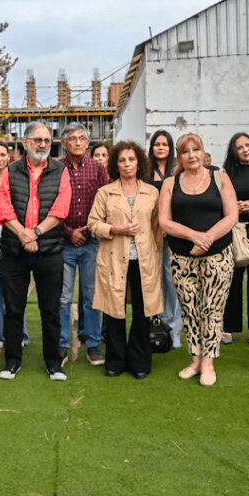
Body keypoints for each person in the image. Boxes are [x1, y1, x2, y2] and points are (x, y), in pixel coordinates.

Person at [158, 133, 238, 386]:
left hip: (218, 255)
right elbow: (164, 222)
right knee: (190, 309)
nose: (191, 155)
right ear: (179, 157)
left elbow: (232, 215)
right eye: (185, 151)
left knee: (212, 309)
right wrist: (194, 236)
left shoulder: (219, 176)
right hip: (182, 257)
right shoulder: (171, 183)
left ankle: (208, 363)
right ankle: (195, 359)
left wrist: (208, 239)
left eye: (196, 150)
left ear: (203, 152)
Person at [0, 121, 72, 381]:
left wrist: (36, 233)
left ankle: (54, 363)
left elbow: (61, 209)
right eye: (37, 140)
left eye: (47, 141)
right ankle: (12, 361)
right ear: (25, 143)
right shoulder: (10, 170)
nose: (43, 145)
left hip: (48, 250)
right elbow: (4, 209)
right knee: (14, 309)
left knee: (50, 309)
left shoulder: (60, 170)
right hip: (14, 251)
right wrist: (24, 235)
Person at [89, 141, 162, 379]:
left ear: (139, 161)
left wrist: (152, 248)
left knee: (143, 311)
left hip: (144, 260)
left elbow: (156, 226)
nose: (127, 164)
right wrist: (116, 229)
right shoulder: (105, 192)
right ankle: (115, 360)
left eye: (131, 159)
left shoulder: (152, 192)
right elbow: (93, 224)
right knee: (114, 311)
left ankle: (139, 361)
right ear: (115, 164)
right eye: (122, 160)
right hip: (113, 259)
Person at [58, 122, 108, 366]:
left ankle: (93, 343)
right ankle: (63, 343)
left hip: (91, 242)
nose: (77, 142)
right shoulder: (56, 169)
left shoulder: (98, 169)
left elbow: (104, 205)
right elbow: (50, 206)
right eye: (72, 138)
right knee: (63, 297)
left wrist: (87, 230)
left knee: (91, 296)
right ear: (64, 143)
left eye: (82, 138)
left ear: (88, 143)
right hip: (64, 243)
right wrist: (69, 232)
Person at [0, 141, 29, 365]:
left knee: (15, 293)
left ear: (9, 157)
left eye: (3, 154)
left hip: (13, 237)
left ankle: (21, 334)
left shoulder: (18, 181)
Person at [220, 132, 249, 346]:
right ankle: (228, 326)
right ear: (234, 151)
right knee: (232, 280)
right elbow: (220, 201)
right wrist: (234, 207)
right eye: (240, 147)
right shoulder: (227, 173)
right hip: (235, 231)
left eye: (248, 145)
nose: (245, 149)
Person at [148, 129, 185, 349]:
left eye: (165, 144)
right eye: (157, 144)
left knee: (172, 281)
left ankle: (174, 327)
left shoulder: (178, 171)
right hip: (150, 233)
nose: (161, 148)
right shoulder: (145, 171)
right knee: (153, 281)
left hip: (174, 233)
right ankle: (155, 324)